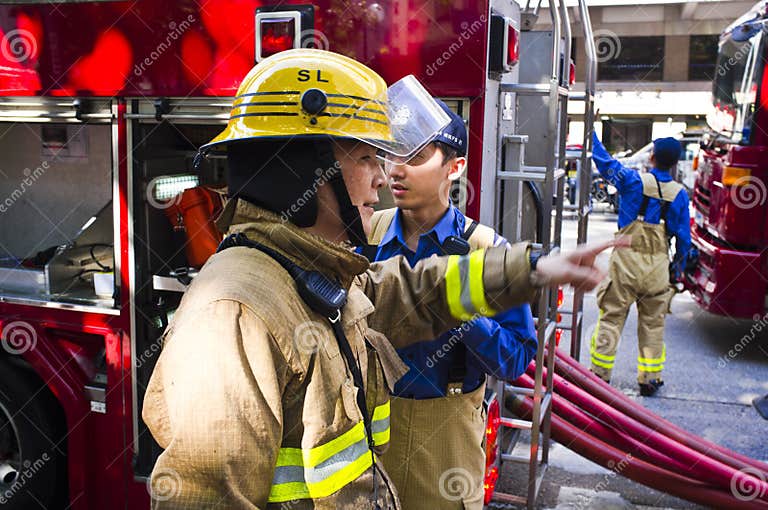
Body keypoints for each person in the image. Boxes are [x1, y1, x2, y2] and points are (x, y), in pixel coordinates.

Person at [142, 49, 620, 509]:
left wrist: (532, 268)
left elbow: (410, 291)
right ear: (308, 168)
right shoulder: (235, 310)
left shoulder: (307, 269)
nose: (382, 177)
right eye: (367, 158)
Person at [362, 99, 537, 509]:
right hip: (369, 430)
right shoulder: (367, 235)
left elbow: (514, 361)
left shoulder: (485, 251)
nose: (396, 169)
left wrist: (457, 309)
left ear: (454, 168)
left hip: (447, 440)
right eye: (391, 154)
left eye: (416, 156)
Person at [589, 131, 691, 396]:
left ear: (652, 157)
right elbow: (683, 240)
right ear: (675, 163)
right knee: (653, 324)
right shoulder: (680, 195)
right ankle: (650, 379)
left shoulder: (633, 181)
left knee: (611, 320)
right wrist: (676, 270)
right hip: (657, 268)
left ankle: (600, 376)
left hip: (625, 265)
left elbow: (604, 163)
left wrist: (591, 133)